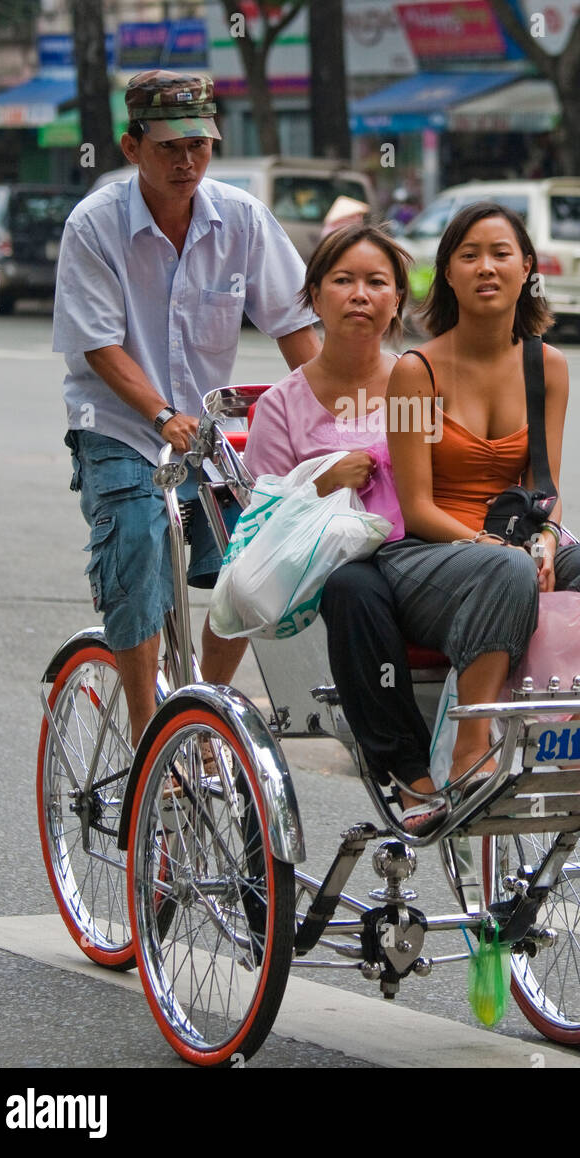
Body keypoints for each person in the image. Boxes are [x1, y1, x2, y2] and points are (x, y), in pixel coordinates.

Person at [323, 201, 580, 829]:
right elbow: (416, 508)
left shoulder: (549, 366)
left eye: (501, 254)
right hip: (425, 558)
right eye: (469, 256)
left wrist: (544, 537)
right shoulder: (414, 371)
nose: (486, 268)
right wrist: (497, 550)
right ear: (448, 276)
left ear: (526, 269)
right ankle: (471, 746)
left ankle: (575, 735)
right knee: (506, 573)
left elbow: (544, 486)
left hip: (516, 550)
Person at [52, 69, 320, 748]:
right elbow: (99, 347)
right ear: (130, 146)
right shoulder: (95, 225)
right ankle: (149, 735)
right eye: (169, 147)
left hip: (204, 431)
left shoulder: (243, 219)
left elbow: (295, 327)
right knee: (140, 543)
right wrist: (159, 413)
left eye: (199, 145)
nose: (186, 161)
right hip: (117, 424)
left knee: (257, 556)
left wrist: (330, 418)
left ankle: (202, 708)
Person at [241, 221, 443, 830]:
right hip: (341, 575)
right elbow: (263, 518)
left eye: (377, 282)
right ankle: (409, 773)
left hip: (425, 557)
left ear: (397, 302)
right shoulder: (281, 406)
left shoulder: (420, 379)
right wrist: (322, 480)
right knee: (355, 588)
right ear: (315, 296)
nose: (361, 294)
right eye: (344, 280)